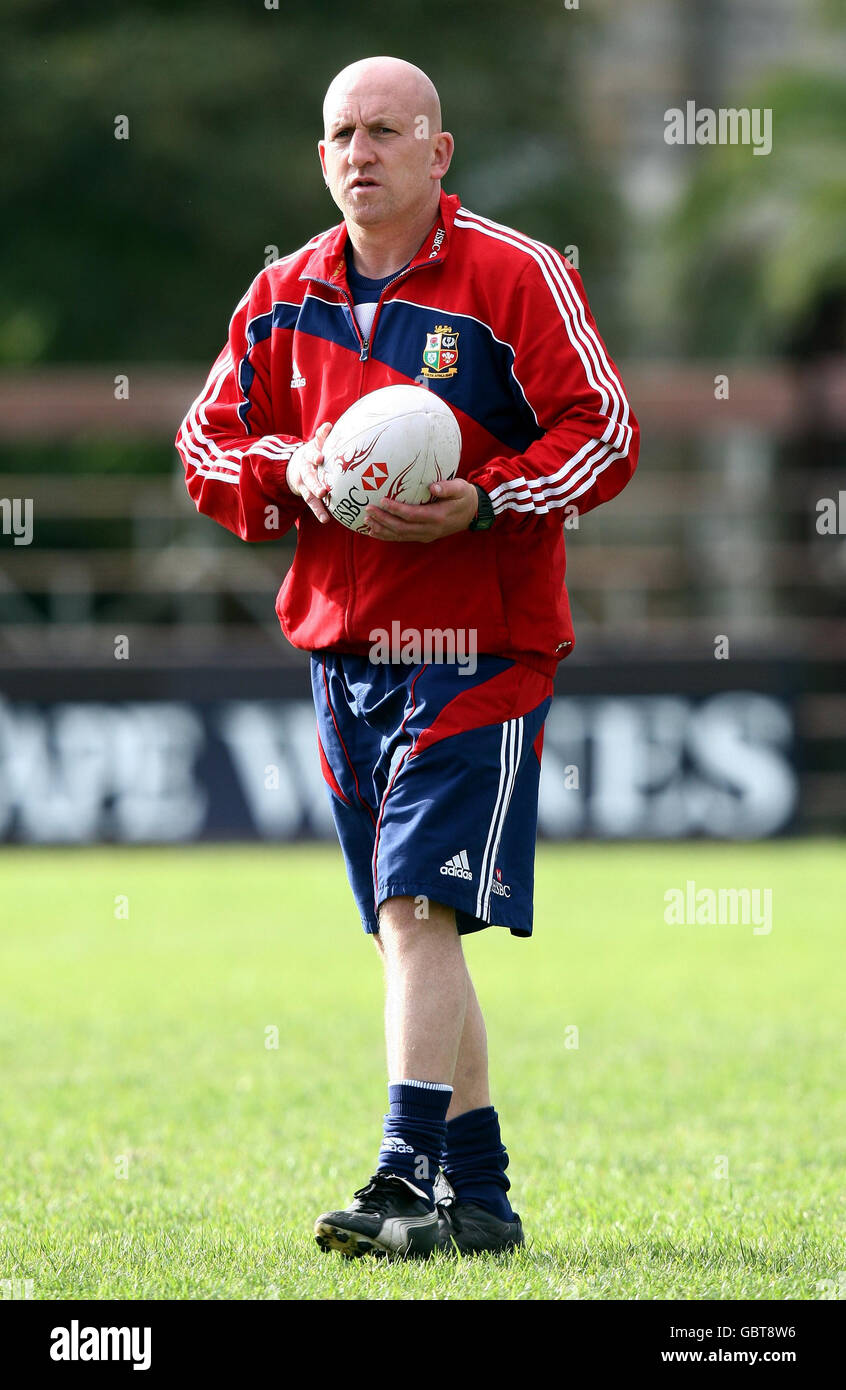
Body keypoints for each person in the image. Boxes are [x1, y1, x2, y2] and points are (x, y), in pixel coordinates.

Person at [176, 54, 639, 1260]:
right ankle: (479, 1199)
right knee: (407, 929)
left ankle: (403, 1177)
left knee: (414, 903)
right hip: (344, 650)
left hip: (480, 647)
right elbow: (205, 449)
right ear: (320, 156)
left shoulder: (513, 275)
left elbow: (607, 432)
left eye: (387, 130)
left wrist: (486, 500)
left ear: (441, 151)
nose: (360, 153)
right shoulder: (281, 294)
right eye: (340, 134)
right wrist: (297, 469)